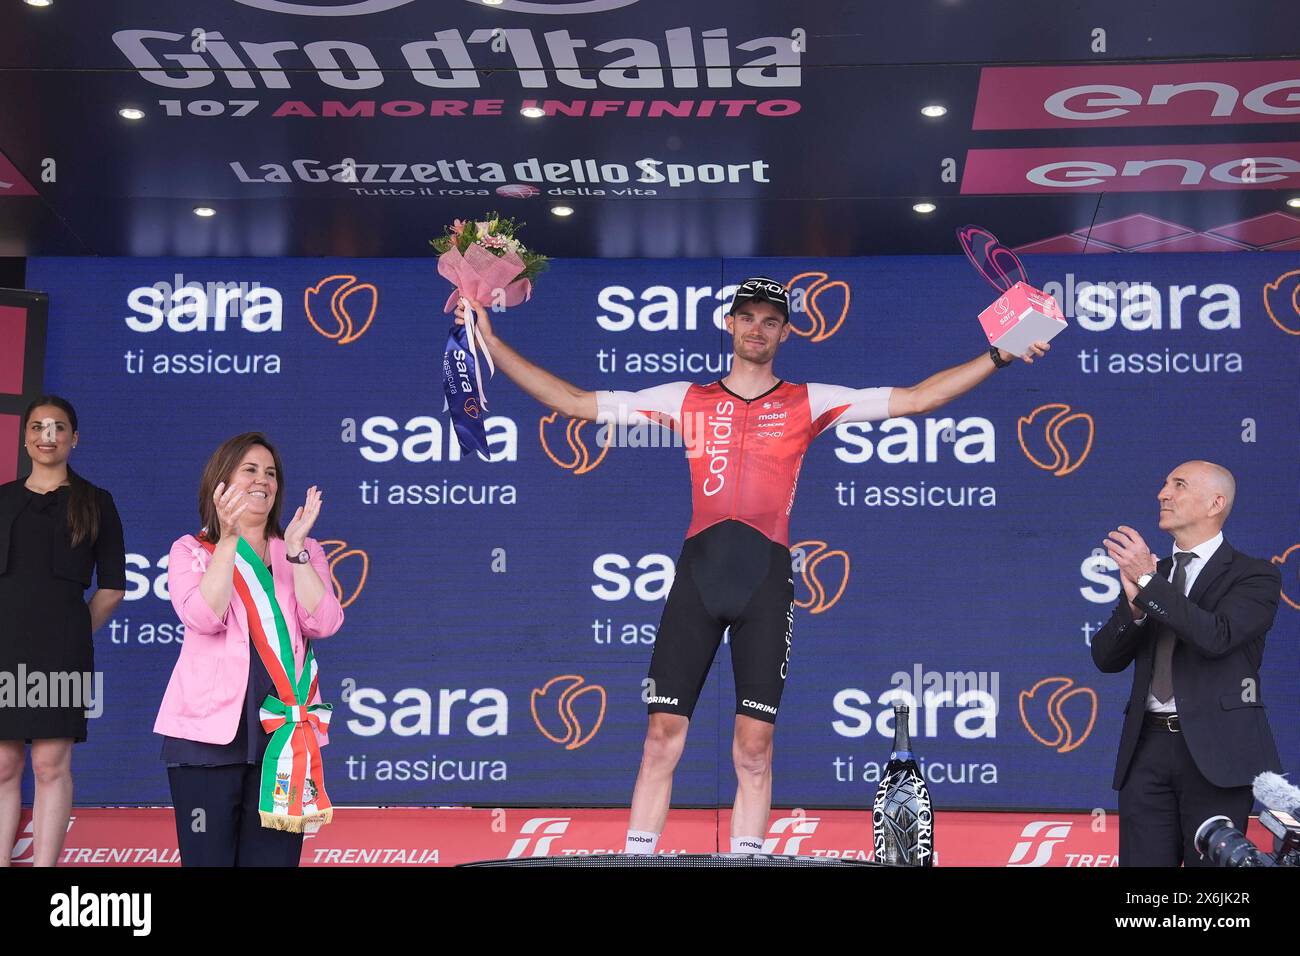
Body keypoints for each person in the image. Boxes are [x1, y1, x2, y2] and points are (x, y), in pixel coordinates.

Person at [455, 276, 1051, 854]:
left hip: (765, 581)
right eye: (747, 318)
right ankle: (637, 855)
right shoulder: (684, 398)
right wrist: (488, 340)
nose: (757, 329)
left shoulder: (810, 400)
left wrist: (1000, 354)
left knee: (754, 746)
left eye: (770, 321)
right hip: (698, 576)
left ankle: (749, 856)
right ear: (730, 324)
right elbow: (574, 402)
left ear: (786, 332)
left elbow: (920, 398)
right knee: (662, 738)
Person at [154, 432, 343, 867]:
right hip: (206, 738)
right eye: (251, 470)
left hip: (283, 737)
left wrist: (295, 553)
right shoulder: (192, 550)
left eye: (271, 473)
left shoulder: (302, 550)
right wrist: (228, 540)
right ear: (222, 481)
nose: (264, 480)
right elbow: (204, 616)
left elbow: (326, 621)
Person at [1093, 460, 1283, 867]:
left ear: (1216, 503)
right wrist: (1135, 610)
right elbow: (1105, 658)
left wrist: (1148, 585)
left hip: (1219, 753)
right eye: (1164, 484)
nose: (1163, 494)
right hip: (1146, 749)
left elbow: (1216, 637)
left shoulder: (1255, 576)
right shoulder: (1152, 575)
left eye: (1178, 485)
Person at [0, 396, 125, 867]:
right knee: (3, 766)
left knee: (50, 766)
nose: (46, 435)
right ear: (26, 436)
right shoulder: (2, 499)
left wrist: (72, 631)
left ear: (74, 438)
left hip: (63, 652)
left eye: (58, 427)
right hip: (2, 648)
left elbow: (112, 588)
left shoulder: (97, 502)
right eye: (37, 426)